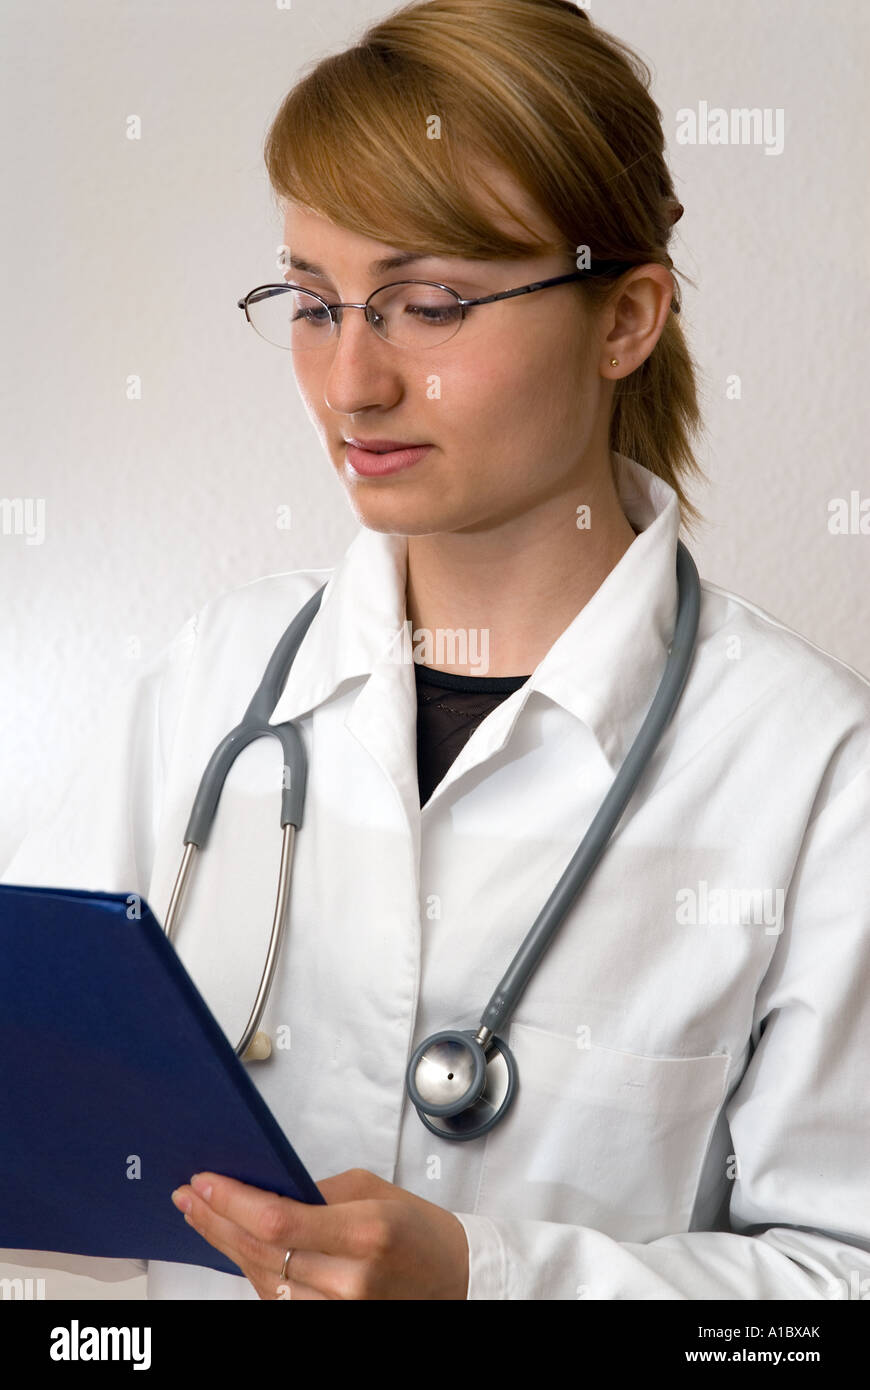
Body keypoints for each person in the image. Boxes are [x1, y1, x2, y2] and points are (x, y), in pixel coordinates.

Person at [3, 0, 869, 1301]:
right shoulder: (203, 687)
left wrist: (490, 1282)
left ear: (626, 317)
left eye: (426, 302)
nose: (350, 381)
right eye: (310, 301)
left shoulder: (814, 773)